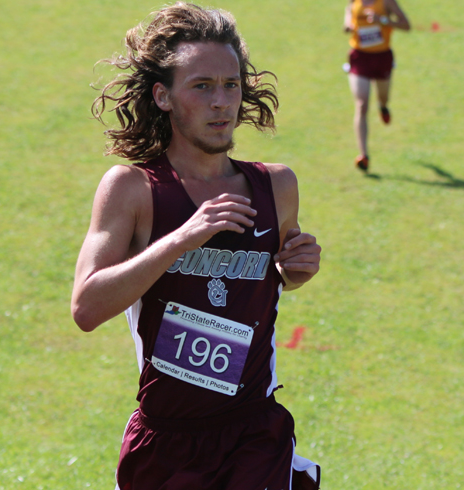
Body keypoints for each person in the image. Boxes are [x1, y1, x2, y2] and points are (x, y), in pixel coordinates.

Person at [71, 3, 322, 489]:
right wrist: (184, 237)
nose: (222, 102)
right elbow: (86, 306)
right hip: (166, 445)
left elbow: (270, 278)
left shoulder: (277, 186)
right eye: (202, 86)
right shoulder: (132, 189)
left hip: (254, 436)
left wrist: (298, 270)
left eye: (231, 85)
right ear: (163, 96)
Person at [344, 0, 410, 172]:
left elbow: (406, 25)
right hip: (359, 57)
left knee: (383, 97)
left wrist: (384, 21)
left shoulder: (386, 2)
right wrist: (348, 24)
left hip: (382, 58)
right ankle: (363, 154)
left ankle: (383, 106)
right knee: (361, 104)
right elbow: (349, 10)